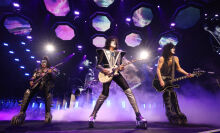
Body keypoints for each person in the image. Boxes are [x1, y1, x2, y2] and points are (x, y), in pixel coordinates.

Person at [88, 36, 147, 129]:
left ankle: (138, 115)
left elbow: (119, 66)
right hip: (106, 74)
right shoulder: (103, 52)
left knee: (129, 91)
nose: (114, 43)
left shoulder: (119, 53)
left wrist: (121, 68)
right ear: (108, 42)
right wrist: (104, 70)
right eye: (112, 41)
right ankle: (93, 115)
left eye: (115, 41)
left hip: (116, 73)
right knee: (104, 94)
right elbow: (98, 65)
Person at [11, 57, 58, 125]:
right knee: (28, 92)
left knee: (49, 95)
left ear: (47, 63)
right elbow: (33, 76)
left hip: (46, 86)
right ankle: (22, 113)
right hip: (37, 85)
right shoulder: (37, 70)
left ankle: (48, 114)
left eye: (44, 62)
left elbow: (55, 76)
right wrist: (31, 80)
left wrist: (51, 73)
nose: (43, 64)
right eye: (42, 62)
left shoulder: (52, 69)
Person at [156, 43, 193, 125]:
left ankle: (177, 112)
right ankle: (169, 112)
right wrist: (161, 80)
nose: (174, 50)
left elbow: (179, 68)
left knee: (173, 94)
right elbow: (158, 70)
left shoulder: (175, 58)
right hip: (163, 80)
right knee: (168, 93)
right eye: (172, 48)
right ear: (168, 50)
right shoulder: (162, 58)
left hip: (170, 80)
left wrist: (187, 73)